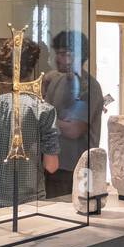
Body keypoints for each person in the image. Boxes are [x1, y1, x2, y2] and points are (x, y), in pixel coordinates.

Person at [0, 37, 60, 208]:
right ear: (32, 68)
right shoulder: (43, 109)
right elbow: (51, 165)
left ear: (1, 65)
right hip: (29, 201)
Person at [41, 30, 106, 200]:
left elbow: (74, 129)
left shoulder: (88, 87)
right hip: (53, 164)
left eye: (64, 54)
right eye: (58, 53)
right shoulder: (56, 81)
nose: (58, 58)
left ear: (77, 55)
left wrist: (49, 118)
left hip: (76, 167)